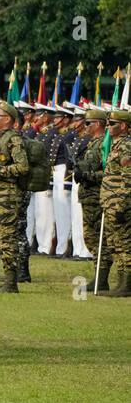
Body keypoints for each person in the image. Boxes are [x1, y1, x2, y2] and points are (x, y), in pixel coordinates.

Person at [0, 102, 30, 293]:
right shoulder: (0, 139)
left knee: (7, 237)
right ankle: (8, 280)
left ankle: (11, 281)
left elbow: (22, 167)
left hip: (9, 195)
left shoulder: (13, 140)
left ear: (8, 119)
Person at [74, 109, 110, 288]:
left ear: (97, 124)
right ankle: (99, 275)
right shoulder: (93, 144)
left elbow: (110, 172)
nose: (85, 126)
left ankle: (101, 279)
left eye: (88, 123)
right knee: (90, 237)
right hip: (88, 196)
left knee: (97, 237)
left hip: (96, 196)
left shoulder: (105, 144)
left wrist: (88, 175)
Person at [98, 110, 131, 297]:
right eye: (108, 124)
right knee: (114, 243)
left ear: (124, 126)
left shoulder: (126, 147)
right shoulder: (117, 145)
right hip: (110, 202)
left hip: (120, 203)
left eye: (113, 124)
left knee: (124, 243)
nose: (108, 127)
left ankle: (127, 284)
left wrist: (121, 206)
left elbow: (128, 179)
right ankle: (121, 283)